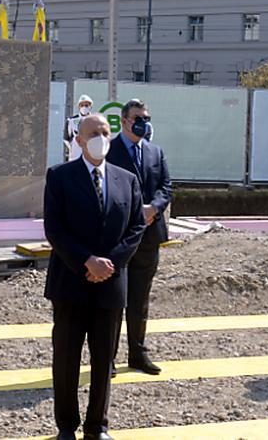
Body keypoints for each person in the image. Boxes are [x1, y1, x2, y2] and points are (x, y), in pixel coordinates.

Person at [43, 114, 146, 440]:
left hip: (111, 287)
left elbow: (136, 228)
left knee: (104, 361)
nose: (100, 137)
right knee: (66, 359)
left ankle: (97, 426)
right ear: (79, 139)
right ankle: (66, 426)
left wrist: (109, 264)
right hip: (70, 284)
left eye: (105, 132)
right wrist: (86, 261)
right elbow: (54, 228)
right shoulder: (60, 176)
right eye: (93, 133)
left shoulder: (126, 179)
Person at [105, 99, 172, 376]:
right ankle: (106, 357)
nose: (143, 122)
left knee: (140, 298)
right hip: (118, 238)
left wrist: (154, 208)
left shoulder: (155, 153)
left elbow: (166, 186)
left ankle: (138, 353)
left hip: (148, 236)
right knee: (113, 300)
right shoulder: (109, 151)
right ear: (124, 121)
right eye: (137, 117)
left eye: (146, 116)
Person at [63, 94, 93, 162]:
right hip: (75, 156)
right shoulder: (71, 120)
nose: (84, 107)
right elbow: (66, 138)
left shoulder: (95, 120)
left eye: (86, 105)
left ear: (90, 106)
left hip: (90, 156)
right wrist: (72, 149)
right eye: (82, 105)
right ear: (79, 107)